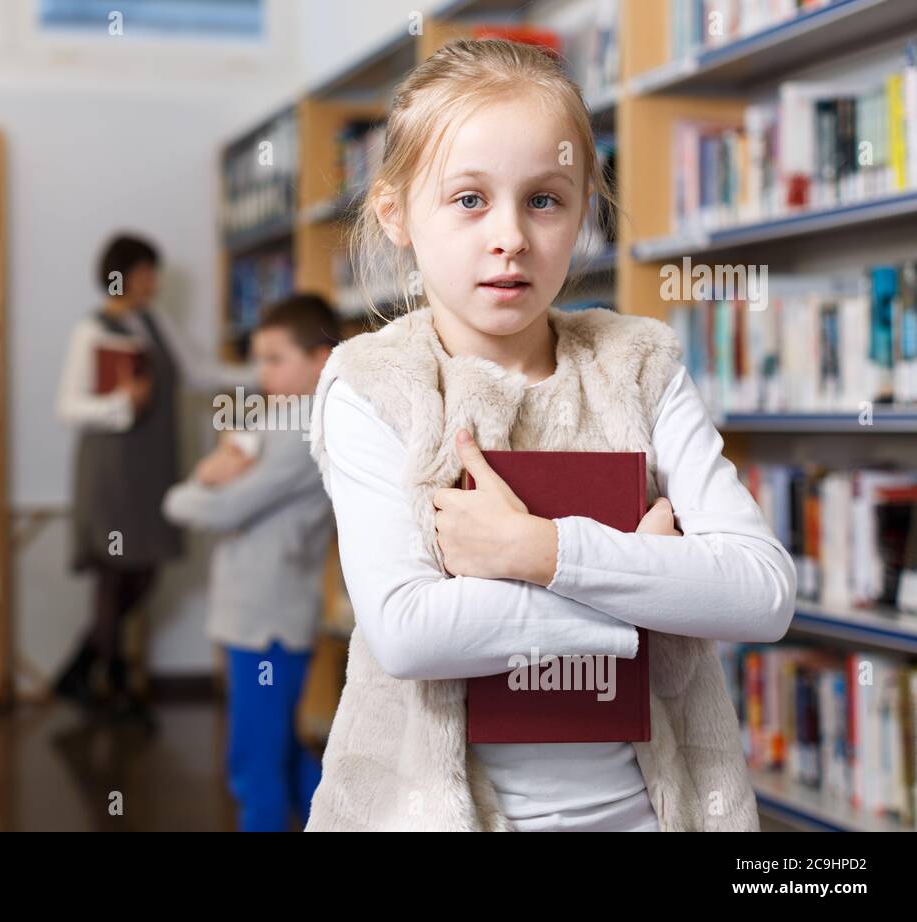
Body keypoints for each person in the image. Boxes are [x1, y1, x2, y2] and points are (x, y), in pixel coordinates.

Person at [304, 39, 797, 831]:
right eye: (468, 200)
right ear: (395, 213)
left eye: (545, 199)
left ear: (582, 209)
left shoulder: (641, 365)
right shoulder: (371, 386)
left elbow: (763, 595)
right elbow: (408, 634)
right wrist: (647, 595)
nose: (510, 237)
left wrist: (535, 552)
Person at [55, 234, 253, 727]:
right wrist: (124, 404)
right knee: (115, 572)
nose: (155, 282)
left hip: (151, 467)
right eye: (147, 272)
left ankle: (80, 670)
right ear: (121, 274)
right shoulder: (91, 330)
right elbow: (67, 407)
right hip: (111, 468)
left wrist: (261, 374)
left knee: (143, 572)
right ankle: (116, 686)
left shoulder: (154, 322)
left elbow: (199, 372)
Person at [162, 294, 338, 832]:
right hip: (263, 614)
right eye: (258, 359)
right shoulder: (282, 420)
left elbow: (217, 509)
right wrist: (211, 478)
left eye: (275, 358)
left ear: (322, 359)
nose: (261, 373)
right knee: (282, 756)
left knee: (255, 766)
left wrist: (195, 482)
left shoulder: (299, 430)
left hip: (268, 623)